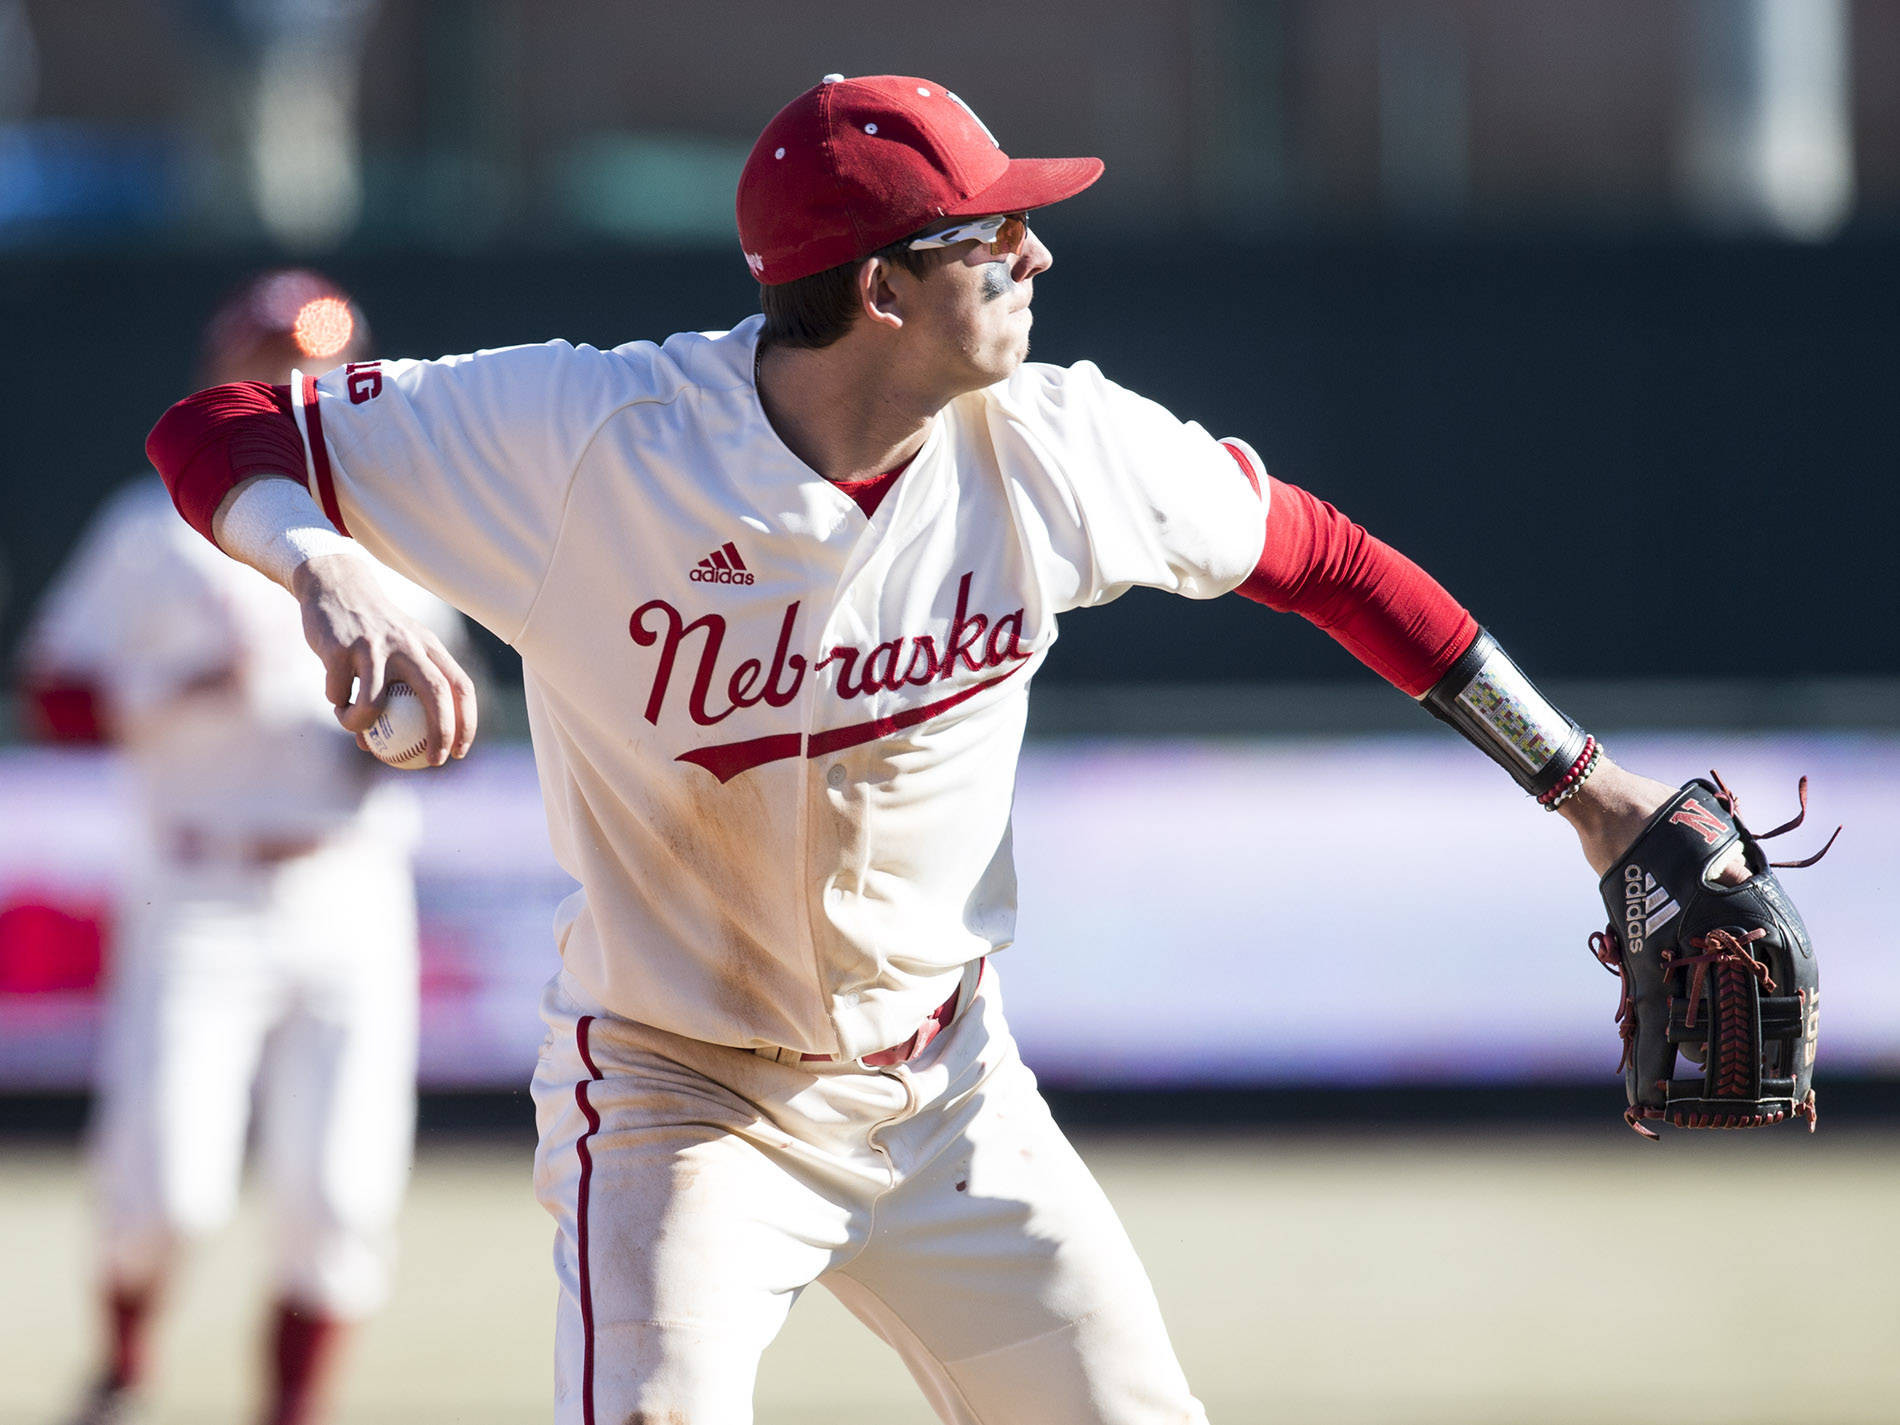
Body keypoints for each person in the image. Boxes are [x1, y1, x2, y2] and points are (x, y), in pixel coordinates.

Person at [143, 76, 1751, 1424]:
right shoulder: (591, 439)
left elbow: (1323, 557)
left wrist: (1586, 788)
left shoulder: (1055, 443)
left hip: (953, 1093)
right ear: (883, 289)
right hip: (683, 1098)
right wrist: (327, 557)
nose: (1039, 253)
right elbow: (213, 433)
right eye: (995, 232)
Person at [25, 271, 465, 1425]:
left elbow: (453, 721)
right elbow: (54, 698)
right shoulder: (151, 526)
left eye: (315, 356)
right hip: (202, 875)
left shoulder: (403, 533)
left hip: (348, 881)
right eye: (270, 354)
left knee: (341, 1197)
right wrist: (179, 687)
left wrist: (396, 740)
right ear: (223, 365)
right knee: (166, 1186)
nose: (291, 376)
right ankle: (123, 1369)